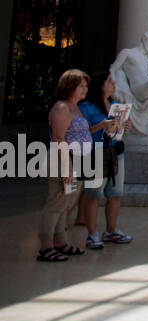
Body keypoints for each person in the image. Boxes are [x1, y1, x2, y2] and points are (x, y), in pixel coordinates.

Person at [37, 70, 92, 261]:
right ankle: (46, 246)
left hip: (76, 160)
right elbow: (59, 139)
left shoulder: (74, 107)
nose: (85, 89)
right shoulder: (62, 108)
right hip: (63, 160)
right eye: (81, 86)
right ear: (70, 86)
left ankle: (60, 242)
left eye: (86, 86)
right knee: (56, 202)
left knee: (66, 204)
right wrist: (67, 168)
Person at [78, 71, 131, 249]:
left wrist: (124, 126)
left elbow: (115, 131)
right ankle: (92, 233)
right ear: (101, 86)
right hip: (96, 152)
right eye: (109, 81)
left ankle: (111, 230)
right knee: (93, 194)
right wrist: (101, 126)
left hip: (115, 152)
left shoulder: (115, 105)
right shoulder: (87, 107)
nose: (113, 84)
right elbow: (80, 132)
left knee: (116, 193)